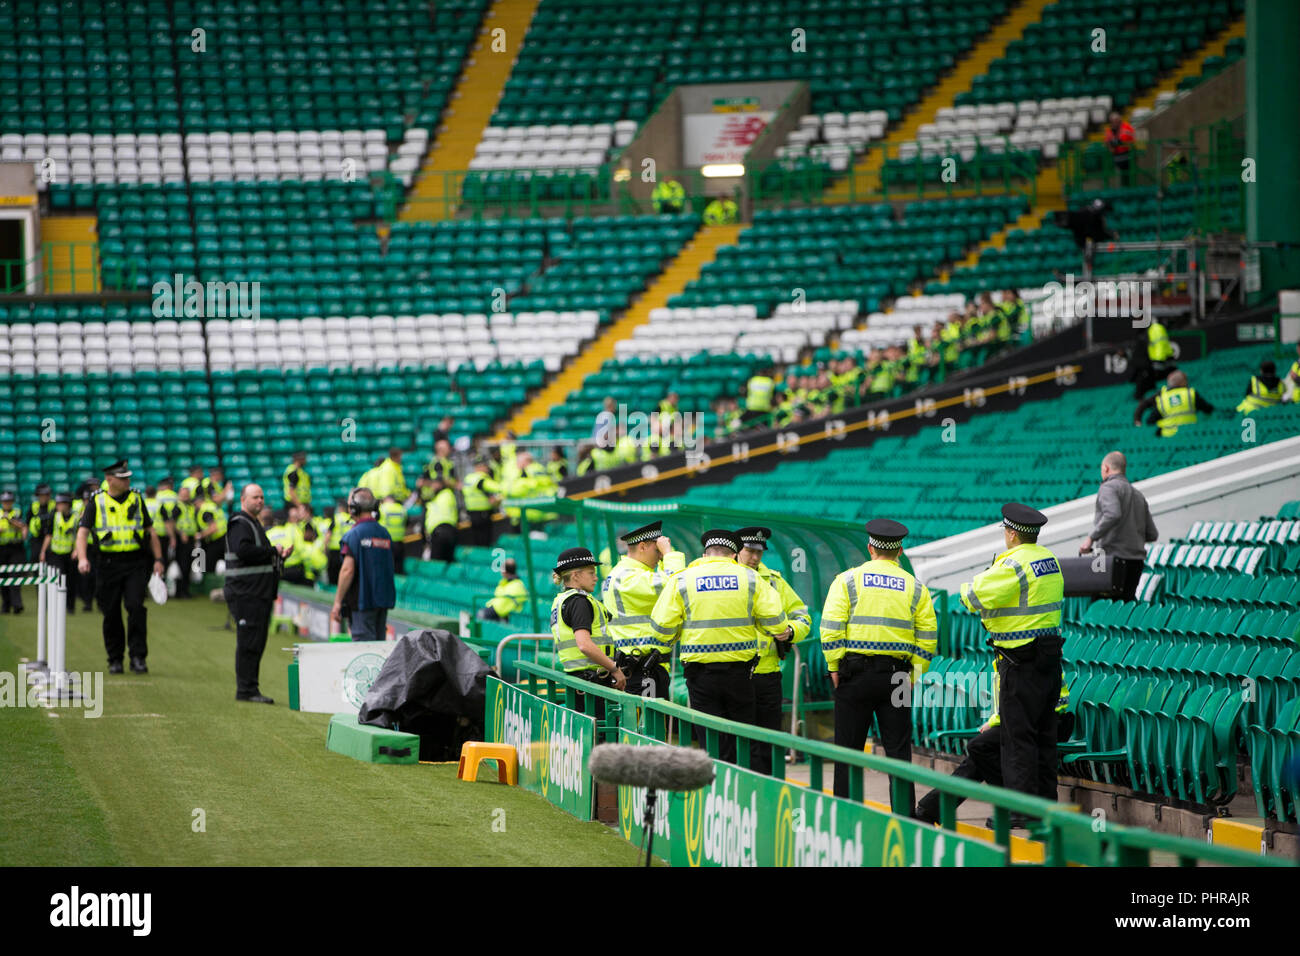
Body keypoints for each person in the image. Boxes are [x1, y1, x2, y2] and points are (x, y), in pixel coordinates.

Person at [957, 503, 1064, 826]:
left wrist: (970, 584)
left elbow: (973, 596)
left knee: (1018, 740)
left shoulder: (1014, 564)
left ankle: (1020, 813)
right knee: (1045, 738)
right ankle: (1047, 811)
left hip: (1021, 662)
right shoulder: (1050, 561)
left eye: (1006, 531)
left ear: (1012, 533)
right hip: (1050, 659)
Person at [820, 519, 936, 814]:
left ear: (870, 548)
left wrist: (834, 666)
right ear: (899, 550)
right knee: (899, 754)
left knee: (848, 752)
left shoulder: (847, 580)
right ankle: (904, 818)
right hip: (898, 676)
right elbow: (927, 636)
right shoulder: (916, 588)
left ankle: (845, 816)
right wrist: (915, 675)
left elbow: (831, 628)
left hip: (853, 674)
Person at [649, 530, 788, 765]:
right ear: (734, 554)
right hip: (741, 674)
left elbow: (660, 628)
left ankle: (715, 791)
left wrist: (675, 636)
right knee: (743, 737)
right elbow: (777, 623)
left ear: (705, 554)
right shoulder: (751, 578)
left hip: (700, 674)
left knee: (710, 739)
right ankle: (743, 792)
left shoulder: (683, 579)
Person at [915, 670, 1072, 825]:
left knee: (979, 747)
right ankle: (930, 810)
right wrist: (997, 720)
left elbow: (1025, 700)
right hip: (1026, 721)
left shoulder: (1020, 656)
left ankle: (1016, 801)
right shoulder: (1009, 657)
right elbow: (1012, 702)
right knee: (977, 758)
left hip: (1047, 723)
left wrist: (994, 722)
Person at [74, 460, 166, 674]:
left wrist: (159, 560)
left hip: (135, 563)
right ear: (109, 479)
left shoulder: (136, 497)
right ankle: (115, 659)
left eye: (127, 477)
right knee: (111, 612)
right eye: (123, 478)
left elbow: (150, 531)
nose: (127, 481)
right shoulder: (97, 501)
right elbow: (83, 532)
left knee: (135, 608)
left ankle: (138, 657)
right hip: (107, 564)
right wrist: (82, 558)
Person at [736, 527, 811, 776]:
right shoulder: (727, 578)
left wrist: (790, 631)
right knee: (740, 740)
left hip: (768, 672)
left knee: (769, 739)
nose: (755, 557)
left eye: (759, 552)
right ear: (736, 550)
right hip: (735, 671)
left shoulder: (775, 581)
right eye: (749, 551)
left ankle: (768, 792)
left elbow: (802, 615)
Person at [601, 520, 686, 700]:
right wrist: (670, 554)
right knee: (648, 727)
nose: (659, 557)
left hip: (641, 665)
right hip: (642, 668)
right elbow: (677, 584)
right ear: (642, 547)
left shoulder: (625, 573)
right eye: (657, 551)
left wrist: (664, 557)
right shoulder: (629, 577)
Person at [223, 484, 284, 704]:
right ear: (243, 499)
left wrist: (278, 555)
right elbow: (244, 551)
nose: (260, 501)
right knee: (249, 643)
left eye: (262, 497)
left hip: (257, 593)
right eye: (255, 497)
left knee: (255, 643)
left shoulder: (252, 523)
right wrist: (272, 551)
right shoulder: (241, 523)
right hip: (245, 593)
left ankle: (251, 688)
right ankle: (246, 690)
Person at [1080, 451, 1158, 602]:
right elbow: (1152, 534)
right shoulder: (1138, 495)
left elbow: (1113, 514)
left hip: (1105, 557)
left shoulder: (1107, 488)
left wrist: (1091, 538)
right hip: (1135, 561)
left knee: (1098, 605)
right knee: (1125, 605)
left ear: (1106, 468)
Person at [550, 547, 625, 696]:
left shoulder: (562, 599)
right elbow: (584, 645)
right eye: (591, 573)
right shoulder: (579, 602)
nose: (596, 577)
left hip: (580, 680)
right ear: (576, 576)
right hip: (591, 683)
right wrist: (614, 669)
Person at [332, 489, 395, 640]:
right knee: (378, 651)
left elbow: (347, 570)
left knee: (364, 652)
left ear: (354, 508)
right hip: (382, 602)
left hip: (361, 604)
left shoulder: (353, 535)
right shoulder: (385, 533)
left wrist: (337, 602)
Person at [1134, 369, 1214, 437]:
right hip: (1190, 433)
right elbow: (1208, 409)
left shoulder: (1162, 396)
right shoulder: (1190, 393)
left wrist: (1138, 420)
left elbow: (1150, 419)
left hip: (1167, 436)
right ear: (1184, 381)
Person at [38, 492, 80, 613]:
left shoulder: (76, 517)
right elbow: (49, 535)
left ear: (68, 505)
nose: (59, 506)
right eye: (58, 503)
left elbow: (79, 536)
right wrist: (43, 551)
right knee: (58, 578)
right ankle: (56, 604)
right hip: (55, 553)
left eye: (62, 503)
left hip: (70, 553)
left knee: (71, 581)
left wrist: (77, 550)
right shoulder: (54, 516)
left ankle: (70, 606)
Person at [462, 456, 500, 547]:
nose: (487, 469)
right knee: (484, 540)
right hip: (483, 513)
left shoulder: (468, 478)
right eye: (486, 466)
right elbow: (495, 488)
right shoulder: (481, 478)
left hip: (472, 512)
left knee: (477, 540)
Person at [0, 491, 27, 613]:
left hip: (16, 548)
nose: (7, 504)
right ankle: (6, 605)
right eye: (5, 502)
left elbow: (22, 526)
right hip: (2, 549)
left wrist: (10, 520)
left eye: (9, 501)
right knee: (3, 578)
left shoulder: (17, 512)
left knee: (15, 576)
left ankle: (17, 604)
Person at [424, 476, 458, 564]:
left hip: (441, 532)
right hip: (443, 532)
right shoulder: (437, 498)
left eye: (434, 484)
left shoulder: (446, 494)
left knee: (437, 564)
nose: (432, 487)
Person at [195, 486, 228, 574]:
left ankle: (209, 586)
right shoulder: (212, 505)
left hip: (216, 541)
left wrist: (200, 535)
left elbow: (213, 528)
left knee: (208, 568)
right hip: (225, 538)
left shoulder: (204, 511)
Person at [377, 493, 407, 576]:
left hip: (385, 543)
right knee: (398, 569)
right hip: (399, 542)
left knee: (385, 568)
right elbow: (406, 523)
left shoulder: (381, 508)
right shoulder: (402, 509)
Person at [326, 497, 354, 585]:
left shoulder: (336, 518)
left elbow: (328, 535)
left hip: (335, 550)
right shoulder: (351, 519)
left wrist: (325, 549)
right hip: (347, 551)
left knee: (333, 576)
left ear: (340, 508)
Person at [1104, 110, 1135, 184]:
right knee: (1120, 178)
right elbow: (1107, 142)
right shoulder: (1110, 130)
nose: (1114, 123)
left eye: (1115, 121)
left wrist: (1116, 143)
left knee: (1129, 177)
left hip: (1128, 156)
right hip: (1116, 157)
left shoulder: (1126, 127)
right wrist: (1111, 145)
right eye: (1112, 121)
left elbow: (1128, 140)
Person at [26, 482, 54, 563]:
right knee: (35, 559)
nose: (44, 497)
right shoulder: (34, 506)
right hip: (36, 539)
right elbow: (27, 523)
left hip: (51, 538)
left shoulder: (54, 505)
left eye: (46, 495)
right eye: (41, 495)